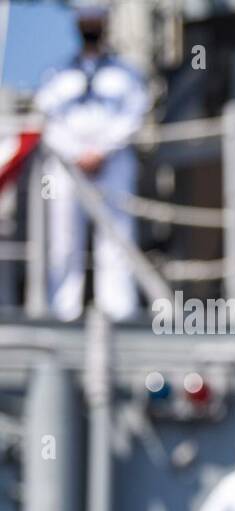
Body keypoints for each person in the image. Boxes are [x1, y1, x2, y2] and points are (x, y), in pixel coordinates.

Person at [33, 2, 147, 321]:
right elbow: (49, 119)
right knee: (64, 240)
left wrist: (102, 150)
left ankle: (119, 309)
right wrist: (75, 154)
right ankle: (63, 309)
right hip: (67, 169)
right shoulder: (56, 76)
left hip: (113, 164)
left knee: (116, 236)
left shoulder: (126, 74)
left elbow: (134, 113)